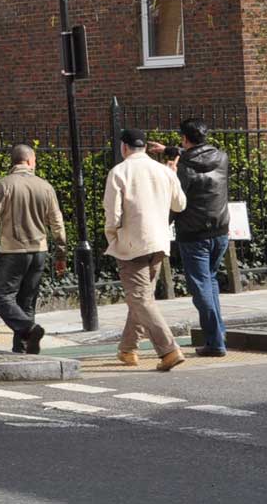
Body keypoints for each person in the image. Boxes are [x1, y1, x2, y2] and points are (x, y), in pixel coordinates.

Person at [104, 128, 188, 370]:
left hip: (132, 244)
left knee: (140, 299)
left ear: (124, 147)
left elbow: (113, 215)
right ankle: (128, 349)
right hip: (160, 242)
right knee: (142, 299)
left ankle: (169, 350)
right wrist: (174, 176)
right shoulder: (164, 171)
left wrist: (113, 237)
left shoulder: (119, 172)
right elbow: (180, 205)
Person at [0, 144, 67, 354]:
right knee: (27, 301)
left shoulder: (4, 185)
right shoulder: (45, 186)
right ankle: (24, 349)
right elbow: (57, 223)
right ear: (29, 161)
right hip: (39, 251)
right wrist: (61, 252)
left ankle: (29, 330)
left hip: (13, 250)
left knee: (1, 297)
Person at [174, 119, 231, 358]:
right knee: (211, 281)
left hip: (193, 234)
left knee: (200, 289)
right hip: (220, 232)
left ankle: (216, 342)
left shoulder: (183, 167)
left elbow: (177, 200)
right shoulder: (222, 158)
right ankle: (216, 336)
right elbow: (199, 156)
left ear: (185, 139)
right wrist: (173, 151)